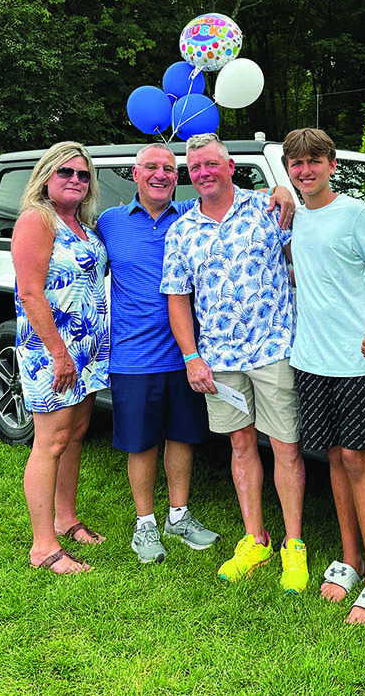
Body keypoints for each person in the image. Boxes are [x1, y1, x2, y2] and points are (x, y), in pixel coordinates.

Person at [96, 142, 296, 565]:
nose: (161, 175)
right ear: (134, 174)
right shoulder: (111, 223)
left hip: (210, 354)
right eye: (151, 167)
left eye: (169, 168)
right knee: (141, 441)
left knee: (184, 436)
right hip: (144, 355)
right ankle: (145, 523)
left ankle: (180, 516)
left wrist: (282, 188)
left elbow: (285, 233)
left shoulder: (187, 215)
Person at [161, 133, 308, 594]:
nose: (203, 172)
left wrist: (290, 193)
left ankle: (294, 544)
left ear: (229, 165)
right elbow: (177, 298)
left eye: (210, 163)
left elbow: (306, 250)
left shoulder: (267, 208)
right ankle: (255, 539)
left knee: (285, 447)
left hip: (274, 348)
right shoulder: (182, 230)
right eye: (195, 167)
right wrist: (191, 357)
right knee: (240, 446)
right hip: (220, 358)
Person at [282, 127, 365, 627]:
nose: (305, 170)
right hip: (310, 359)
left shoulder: (355, 214)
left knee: (357, 457)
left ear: (332, 164)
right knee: (332, 456)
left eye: (314, 161)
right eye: (296, 164)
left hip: (355, 360)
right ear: (289, 171)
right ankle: (350, 560)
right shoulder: (295, 218)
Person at [12, 141, 110, 574]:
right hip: (52, 351)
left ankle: (65, 518)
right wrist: (58, 353)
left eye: (83, 175)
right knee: (49, 442)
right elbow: (30, 292)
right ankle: (43, 546)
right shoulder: (38, 219)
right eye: (66, 173)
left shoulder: (83, 225)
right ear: (47, 176)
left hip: (87, 348)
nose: (75, 180)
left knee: (76, 433)